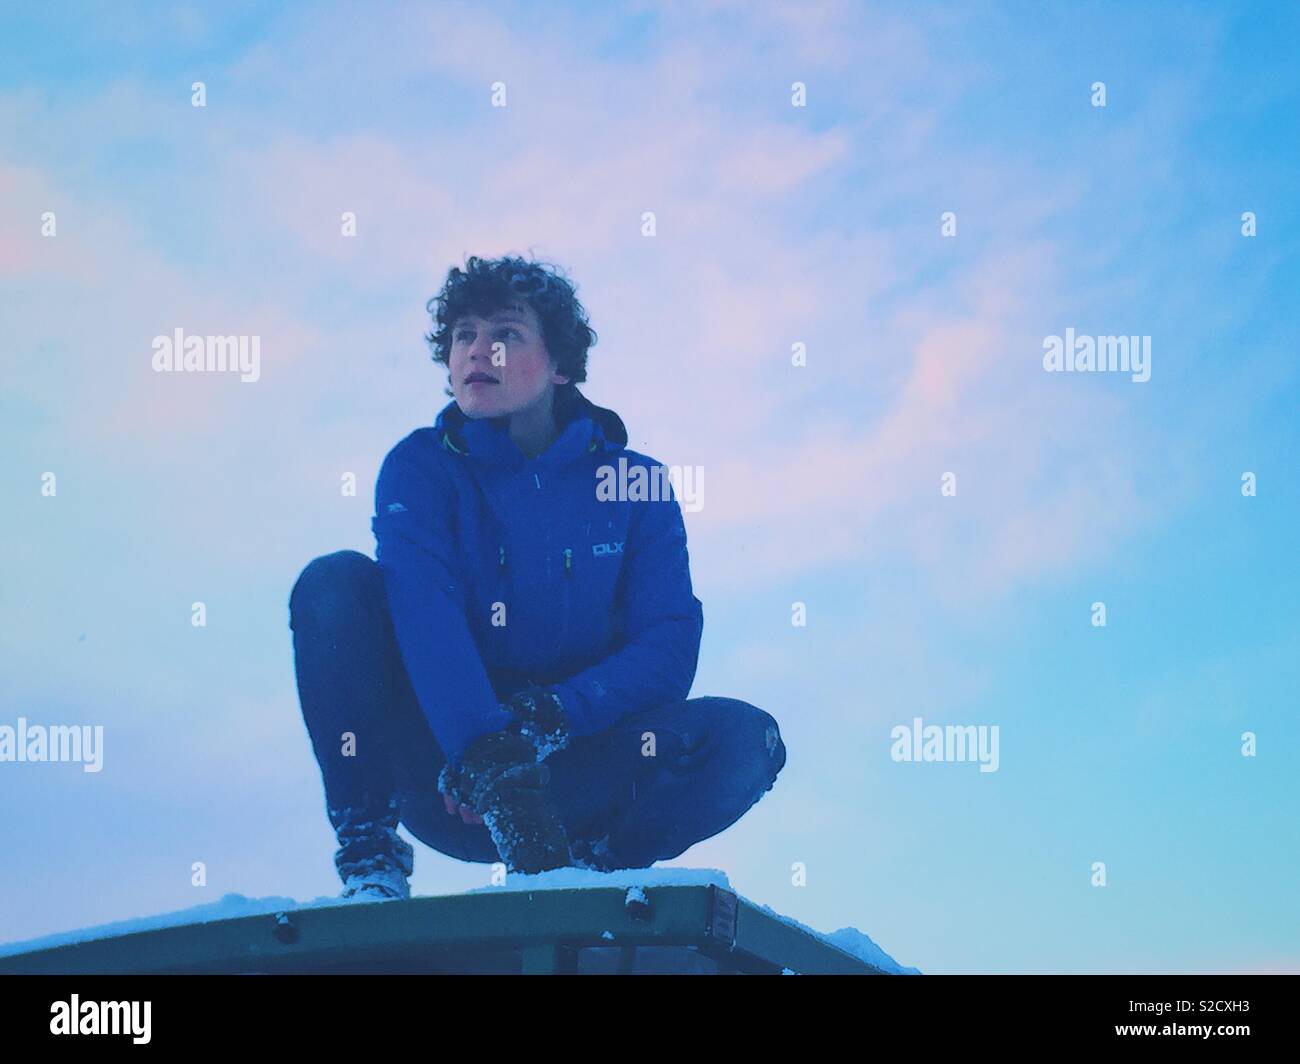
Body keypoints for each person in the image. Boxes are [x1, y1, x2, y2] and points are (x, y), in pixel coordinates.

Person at [288, 254, 787, 900]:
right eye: (464, 333)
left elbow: (666, 649)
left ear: (559, 365)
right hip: (445, 777)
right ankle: (369, 854)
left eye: (506, 333)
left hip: (572, 771)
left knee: (744, 741)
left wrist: (548, 718)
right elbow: (425, 619)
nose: (478, 349)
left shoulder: (636, 485)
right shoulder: (418, 467)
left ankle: (592, 869)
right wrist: (489, 758)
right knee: (334, 586)